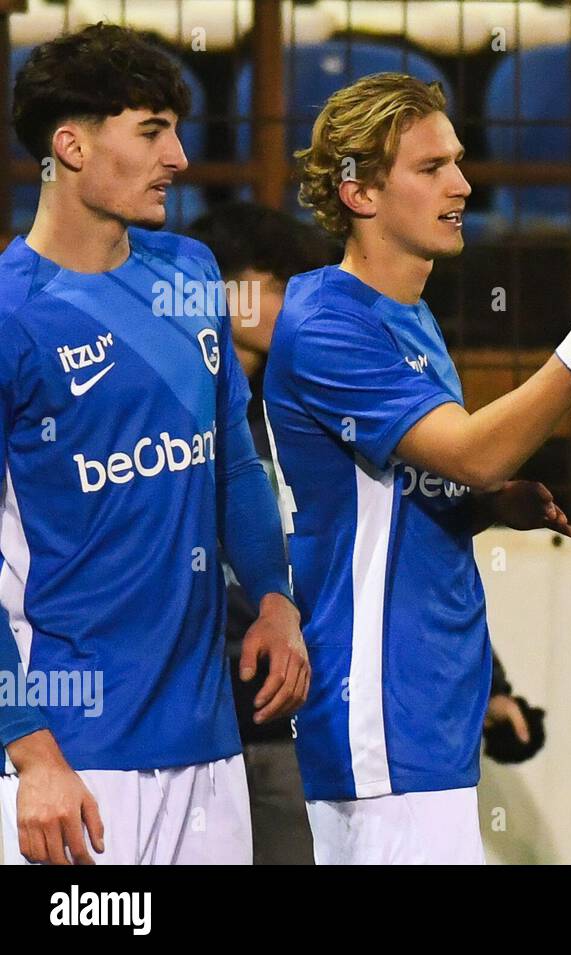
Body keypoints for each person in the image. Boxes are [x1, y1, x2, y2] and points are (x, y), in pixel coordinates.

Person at [264, 71, 571, 863]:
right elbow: (472, 446)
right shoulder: (327, 324)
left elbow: (422, 479)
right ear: (359, 194)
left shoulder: (410, 315)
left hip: (431, 704)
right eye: (430, 168)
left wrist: (486, 503)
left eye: (457, 161)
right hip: (380, 711)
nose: (462, 183)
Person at [0, 25, 306, 865]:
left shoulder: (192, 272)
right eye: (150, 130)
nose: (177, 155)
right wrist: (30, 752)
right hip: (75, 760)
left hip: (210, 750)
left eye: (176, 128)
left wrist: (276, 594)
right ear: (70, 144)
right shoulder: (9, 315)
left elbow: (233, 465)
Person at [185, 201, 338, 865]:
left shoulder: (310, 421)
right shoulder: (163, 417)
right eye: (275, 283)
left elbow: (367, 552)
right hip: (181, 729)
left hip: (285, 727)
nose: (291, 304)